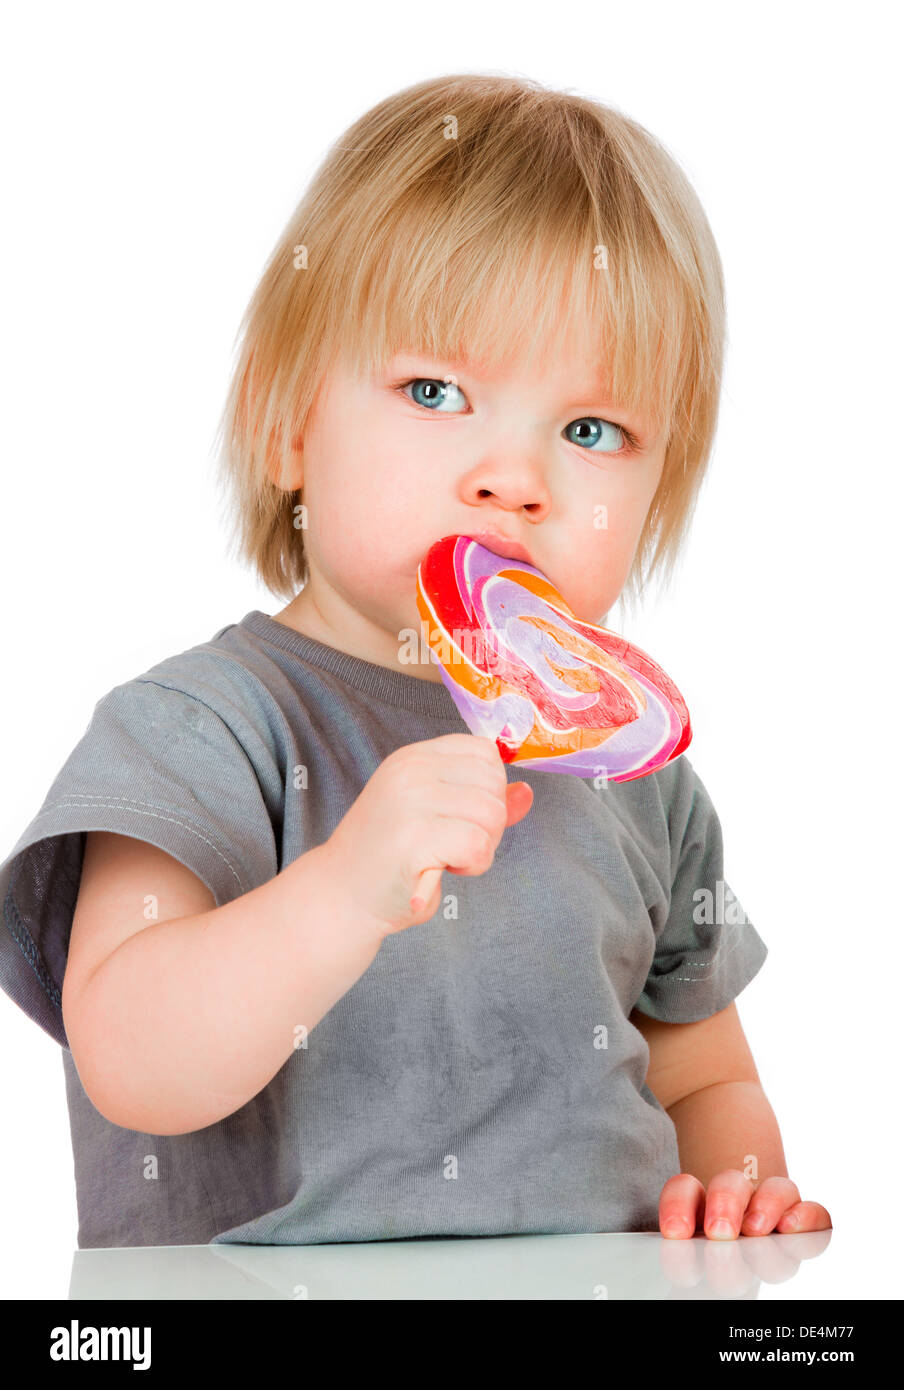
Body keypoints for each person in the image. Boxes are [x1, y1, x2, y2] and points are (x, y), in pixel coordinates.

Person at [0, 72, 831, 1248]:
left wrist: (740, 1179)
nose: (514, 476)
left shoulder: (637, 778)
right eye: (435, 390)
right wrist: (343, 890)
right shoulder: (197, 729)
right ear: (290, 423)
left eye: (590, 430)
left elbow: (704, 1080)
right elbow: (129, 1052)